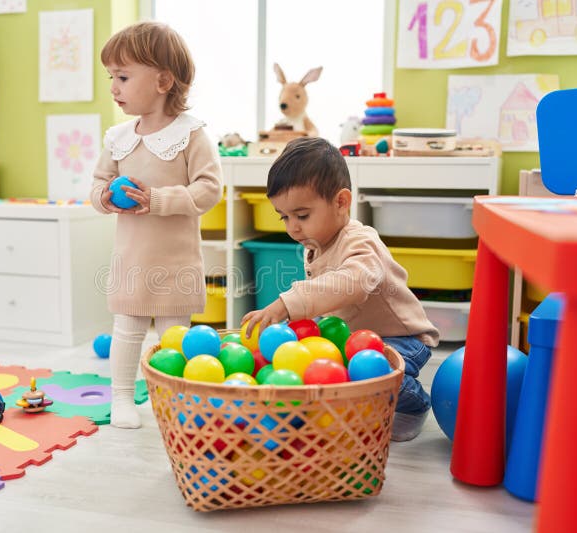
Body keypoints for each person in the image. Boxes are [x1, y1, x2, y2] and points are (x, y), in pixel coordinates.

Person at [241, 137, 439, 441]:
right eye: (285, 217)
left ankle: (416, 404)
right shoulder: (316, 243)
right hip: (354, 338)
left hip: (401, 337)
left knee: (378, 371)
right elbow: (324, 298)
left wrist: (287, 303)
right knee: (338, 372)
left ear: (341, 202)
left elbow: (353, 282)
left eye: (302, 215)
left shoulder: (361, 240)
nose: (292, 227)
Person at [90, 22, 223, 429]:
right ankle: (122, 398)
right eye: (111, 76)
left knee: (174, 339)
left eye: (123, 77)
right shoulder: (118, 137)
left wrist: (159, 199)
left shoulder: (191, 134)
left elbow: (210, 189)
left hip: (175, 261)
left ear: (163, 80)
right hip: (131, 258)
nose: (114, 86)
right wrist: (108, 196)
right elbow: (97, 185)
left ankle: (175, 400)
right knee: (126, 330)